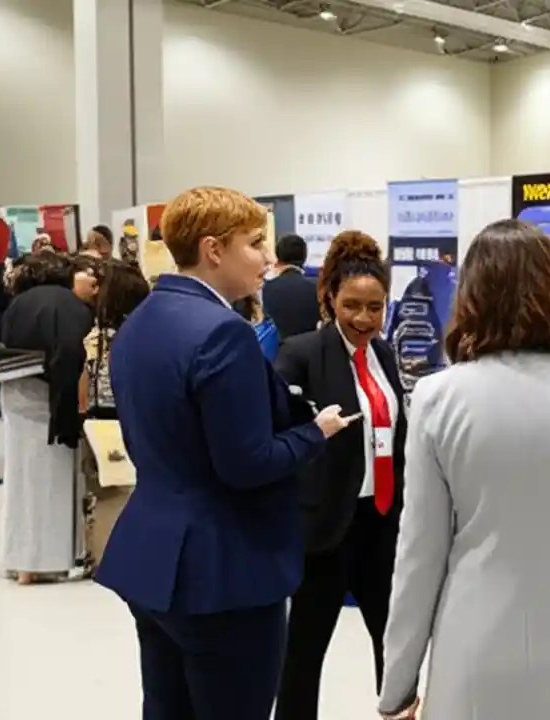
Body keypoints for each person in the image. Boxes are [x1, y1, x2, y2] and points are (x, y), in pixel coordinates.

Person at [94, 187, 356, 720]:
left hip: (153, 555)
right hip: (223, 570)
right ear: (214, 249)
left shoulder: (141, 321)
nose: (267, 257)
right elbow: (247, 464)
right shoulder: (222, 334)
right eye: (255, 243)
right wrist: (317, 433)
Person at [376, 219, 550, 720]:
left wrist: (396, 688)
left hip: (474, 639)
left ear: (472, 294)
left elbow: (419, 556)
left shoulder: (437, 397)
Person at [274, 231, 406, 720]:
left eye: (376, 307)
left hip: (383, 521)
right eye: (352, 305)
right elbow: (281, 431)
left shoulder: (385, 354)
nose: (364, 319)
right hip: (324, 527)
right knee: (304, 652)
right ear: (330, 298)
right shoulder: (301, 352)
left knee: (394, 645)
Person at [0, 252, 95, 584]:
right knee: (53, 481)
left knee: (22, 479)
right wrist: (66, 410)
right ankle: (44, 559)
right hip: (46, 398)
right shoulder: (70, 307)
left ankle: (19, 558)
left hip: (15, 393)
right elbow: (68, 354)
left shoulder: (17, 304)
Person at [80, 260, 150, 419]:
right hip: (138, 417)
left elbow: (83, 391)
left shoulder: (96, 338)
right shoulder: (147, 336)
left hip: (101, 416)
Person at [263, 233, 321, 339]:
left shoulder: (266, 289)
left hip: (276, 352)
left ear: (278, 257)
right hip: (310, 351)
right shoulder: (318, 289)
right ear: (304, 257)